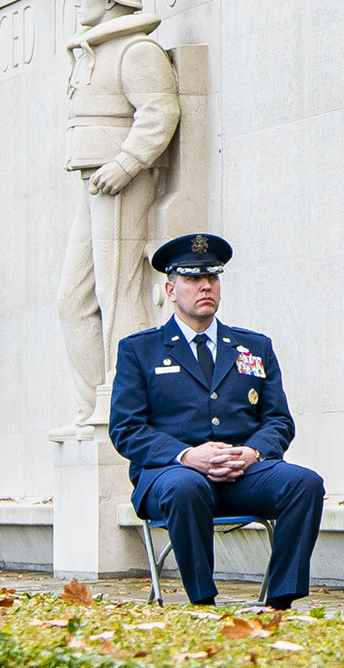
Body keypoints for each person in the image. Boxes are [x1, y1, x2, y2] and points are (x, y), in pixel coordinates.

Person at [107, 233, 325, 608]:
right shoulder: (139, 350)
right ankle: (203, 604)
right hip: (170, 476)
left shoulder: (254, 347)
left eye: (212, 277)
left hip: (243, 475)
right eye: (192, 279)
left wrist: (253, 452)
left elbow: (278, 420)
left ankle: (280, 602)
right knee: (185, 487)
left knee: (304, 483)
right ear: (171, 290)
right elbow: (126, 429)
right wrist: (186, 456)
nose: (205, 285)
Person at [57, 0, 184, 428]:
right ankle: (92, 401)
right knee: (72, 300)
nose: (78, 2)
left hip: (119, 184)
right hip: (91, 184)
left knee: (121, 294)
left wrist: (127, 163)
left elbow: (160, 112)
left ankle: (122, 400)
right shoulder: (97, 51)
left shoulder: (136, 51)